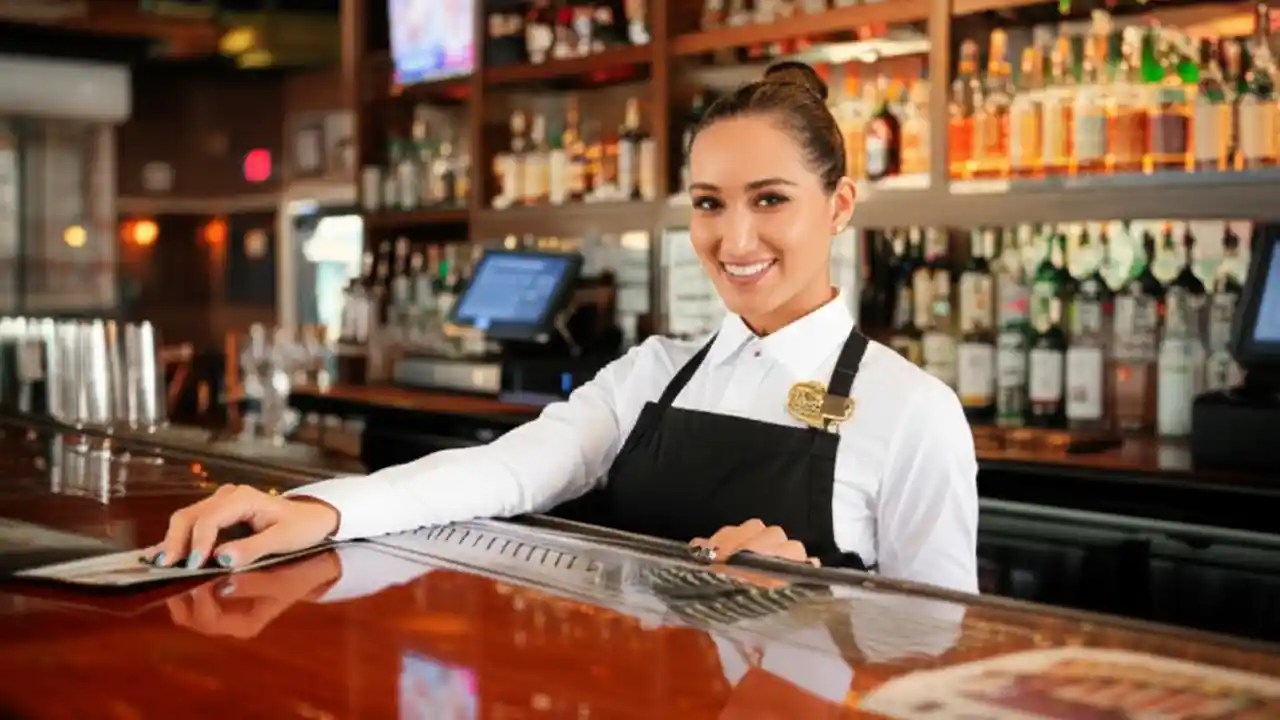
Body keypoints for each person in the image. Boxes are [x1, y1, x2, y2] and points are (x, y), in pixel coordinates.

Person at [150, 62, 979, 593]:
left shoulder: (910, 411)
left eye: (770, 200)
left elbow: (950, 654)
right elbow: (505, 471)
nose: (734, 241)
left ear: (837, 207)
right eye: (707, 204)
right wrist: (318, 511)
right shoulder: (654, 372)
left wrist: (820, 601)